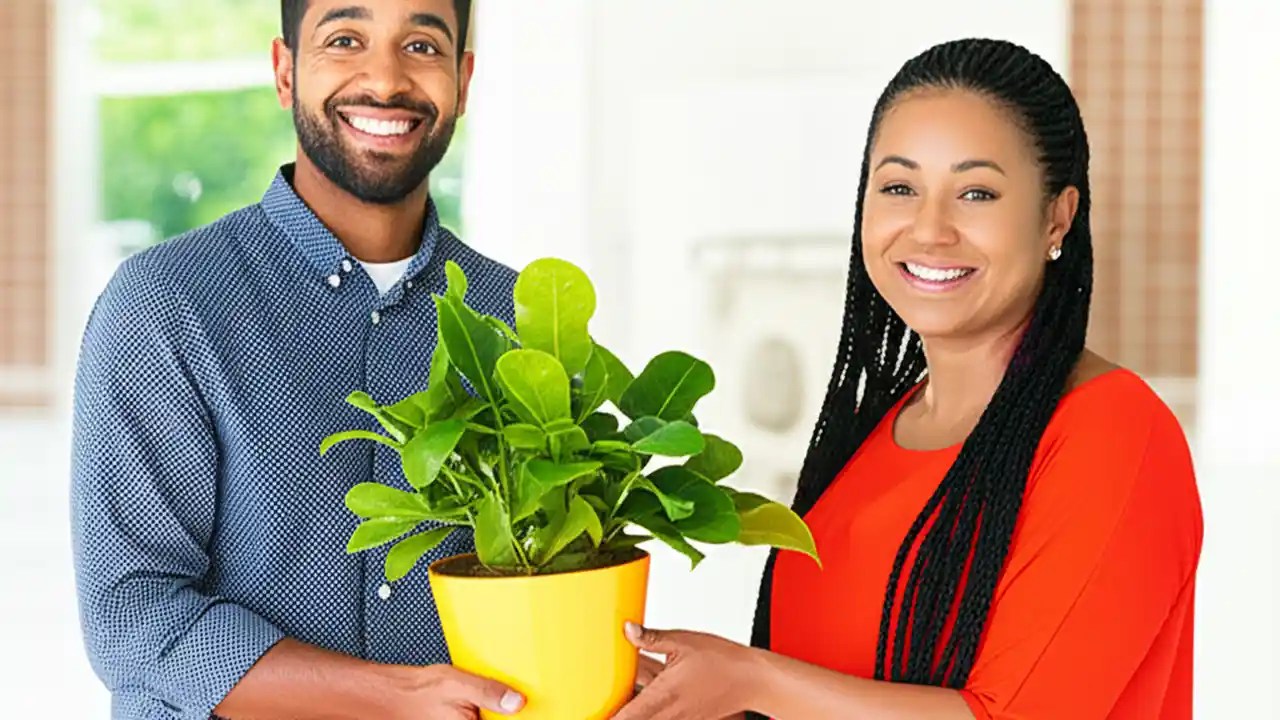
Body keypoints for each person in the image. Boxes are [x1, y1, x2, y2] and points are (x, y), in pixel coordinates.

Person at [614, 38, 1203, 720]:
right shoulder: (871, 436)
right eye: (899, 187)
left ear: (1056, 217)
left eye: (976, 192)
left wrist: (754, 681)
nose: (929, 228)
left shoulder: (1112, 432)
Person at [70, 1, 528, 718]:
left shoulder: (517, 323)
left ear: (462, 82)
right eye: (345, 40)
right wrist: (395, 698)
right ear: (286, 72)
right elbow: (134, 613)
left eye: (422, 45)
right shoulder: (165, 304)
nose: (385, 78)